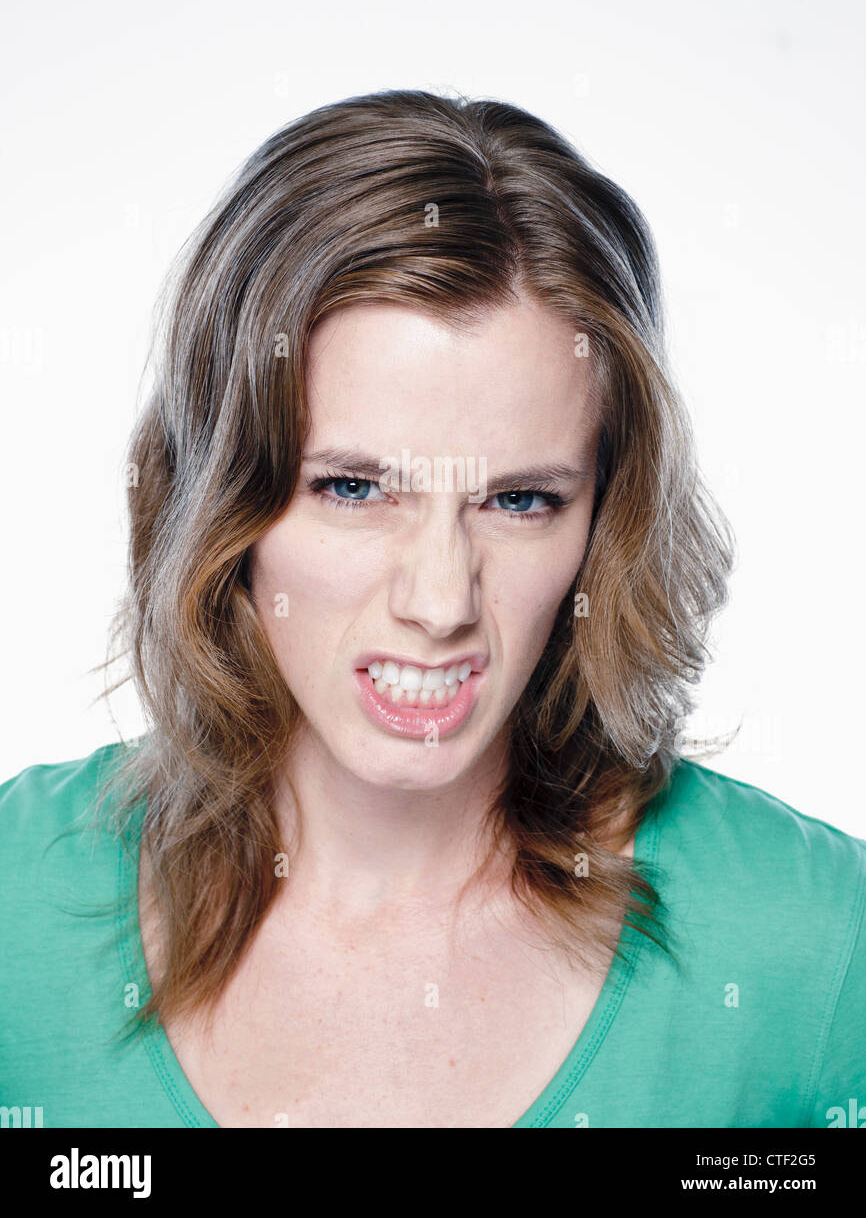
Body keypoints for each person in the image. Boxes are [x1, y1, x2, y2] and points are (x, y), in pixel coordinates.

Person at [1, 90, 863, 1129]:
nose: (440, 599)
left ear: (602, 519)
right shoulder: (18, 913)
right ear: (225, 497)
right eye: (355, 489)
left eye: (518, 500)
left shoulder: (809, 949)